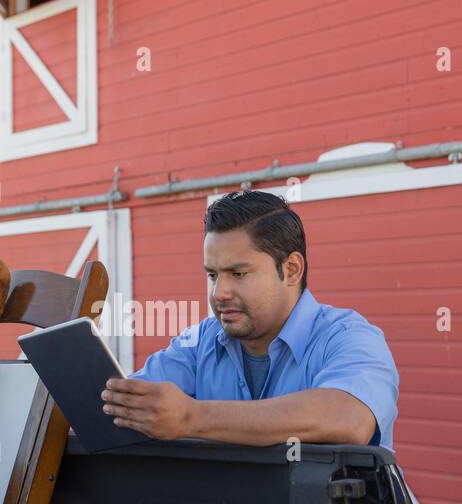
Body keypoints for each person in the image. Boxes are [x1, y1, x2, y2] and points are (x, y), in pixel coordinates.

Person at [101, 190, 398, 448]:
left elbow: (348, 417)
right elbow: (124, 406)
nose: (220, 293)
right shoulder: (199, 343)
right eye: (213, 275)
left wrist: (191, 418)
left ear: (292, 269)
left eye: (238, 274)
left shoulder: (348, 337)